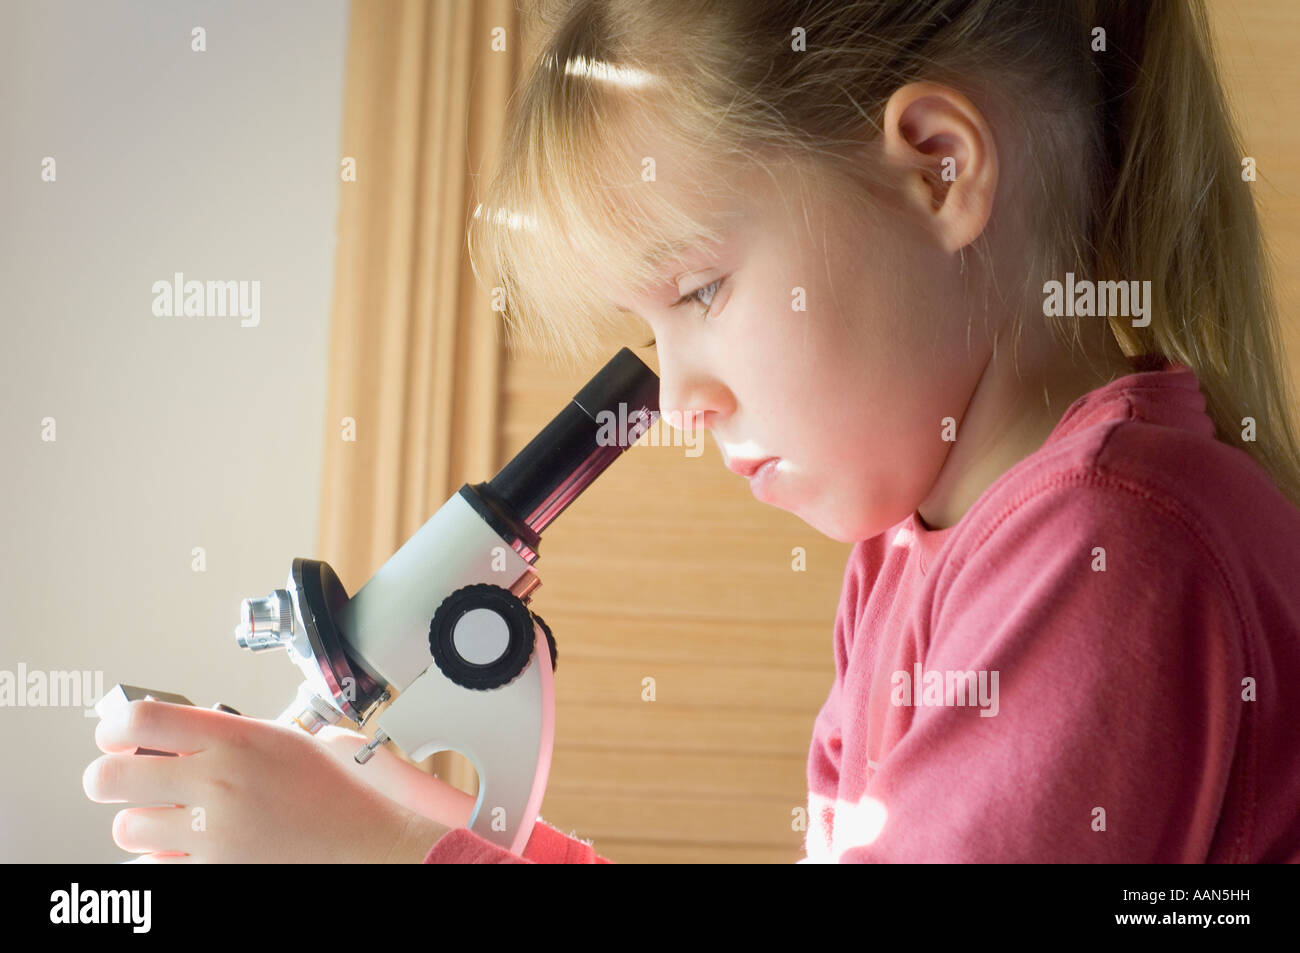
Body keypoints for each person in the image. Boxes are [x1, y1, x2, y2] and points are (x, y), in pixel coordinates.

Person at [86, 0, 1300, 863]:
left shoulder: (1108, 550)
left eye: (701, 290)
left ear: (938, 167)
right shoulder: (910, 556)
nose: (674, 402)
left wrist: (392, 861)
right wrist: (405, 824)